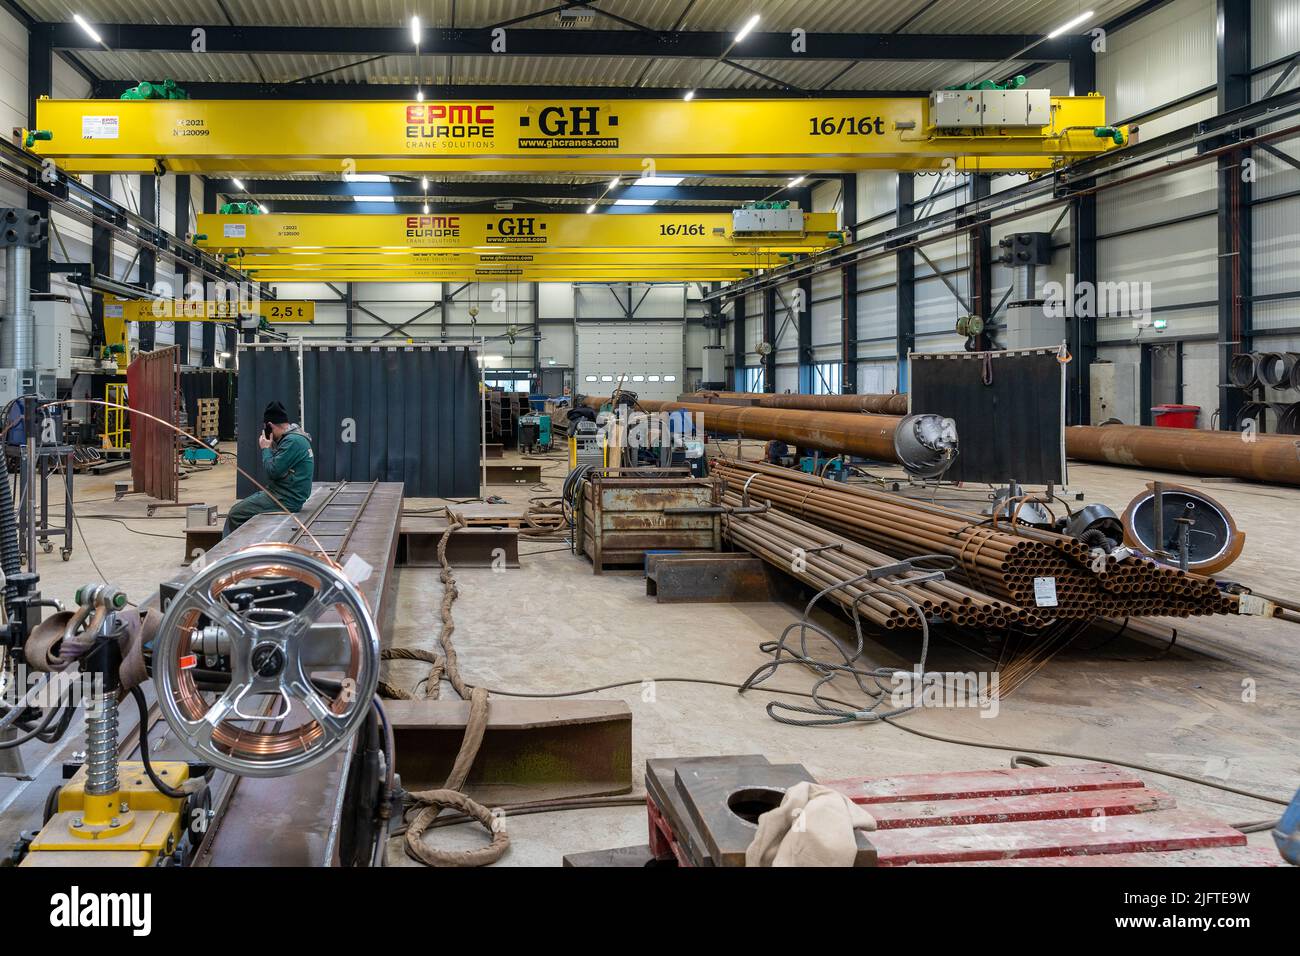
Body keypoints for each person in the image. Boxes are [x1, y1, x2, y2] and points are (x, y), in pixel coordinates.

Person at [223, 400, 314, 537]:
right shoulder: (296, 437)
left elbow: (273, 471)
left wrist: (266, 449)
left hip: (285, 499)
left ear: (270, 426)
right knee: (246, 506)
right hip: (286, 494)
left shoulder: (292, 441)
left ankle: (230, 554)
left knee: (235, 514)